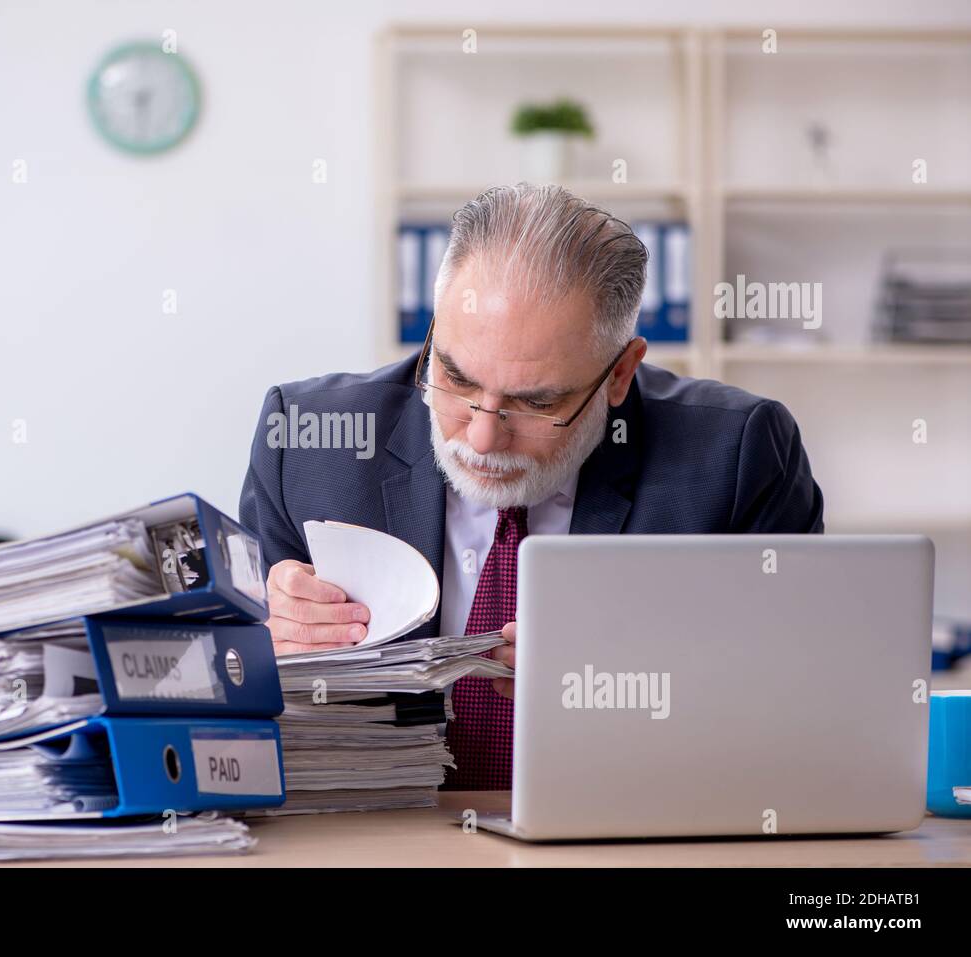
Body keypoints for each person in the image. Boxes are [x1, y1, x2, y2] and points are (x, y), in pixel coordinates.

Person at [239, 183, 824, 789]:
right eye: (457, 379)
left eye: (536, 402)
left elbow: (809, 695)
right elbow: (210, 689)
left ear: (620, 373)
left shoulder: (737, 455)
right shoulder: (307, 441)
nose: (483, 438)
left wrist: (639, 682)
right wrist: (261, 642)